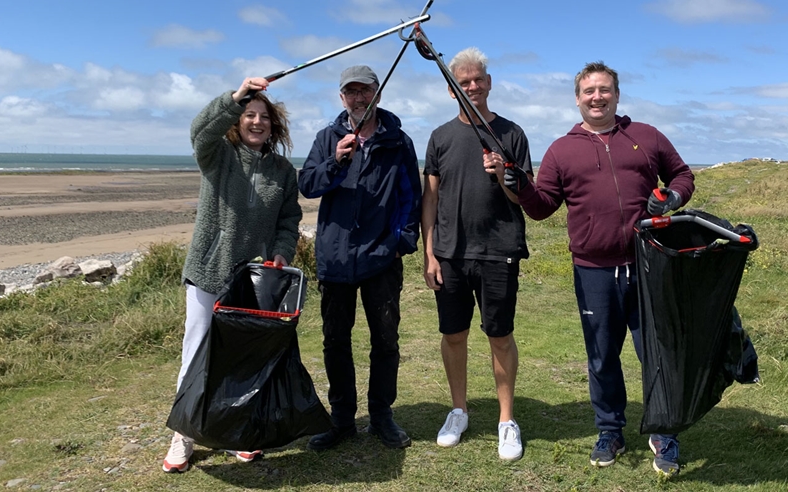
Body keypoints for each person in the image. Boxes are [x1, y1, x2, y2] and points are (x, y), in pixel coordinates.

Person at [503, 61, 695, 478]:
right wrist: (518, 186)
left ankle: (663, 432)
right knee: (602, 356)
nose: (597, 97)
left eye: (604, 89)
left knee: (656, 355)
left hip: (648, 266)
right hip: (593, 270)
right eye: (589, 91)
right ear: (577, 98)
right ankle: (610, 430)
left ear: (617, 94)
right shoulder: (561, 150)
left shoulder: (645, 137)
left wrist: (673, 198)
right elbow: (541, 207)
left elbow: (682, 174)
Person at [163, 77, 303, 473]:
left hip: (251, 278)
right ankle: (184, 435)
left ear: (274, 126)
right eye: (249, 115)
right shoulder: (217, 154)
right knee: (197, 354)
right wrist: (234, 95)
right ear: (237, 121)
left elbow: (289, 219)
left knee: (241, 359)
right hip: (208, 271)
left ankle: (236, 431)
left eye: (264, 117)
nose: (257, 122)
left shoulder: (282, 171)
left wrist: (281, 250)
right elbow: (198, 130)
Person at [298, 65, 421, 451]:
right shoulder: (327, 138)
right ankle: (342, 420)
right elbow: (308, 185)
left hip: (381, 260)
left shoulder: (398, 142)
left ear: (378, 94)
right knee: (336, 341)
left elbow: (410, 199)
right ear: (341, 98)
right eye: (350, 92)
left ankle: (382, 416)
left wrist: (399, 242)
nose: (358, 98)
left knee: (385, 340)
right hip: (335, 261)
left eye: (365, 91)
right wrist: (335, 161)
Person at [421, 47, 533, 461]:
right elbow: (430, 199)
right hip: (450, 253)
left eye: (478, 80)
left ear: (489, 83)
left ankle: (506, 420)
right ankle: (459, 410)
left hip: (499, 248)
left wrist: (502, 174)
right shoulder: (440, 137)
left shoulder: (512, 134)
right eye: (463, 82)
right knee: (453, 335)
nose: (472, 87)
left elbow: (522, 198)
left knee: (499, 336)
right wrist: (430, 254)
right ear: (452, 89)